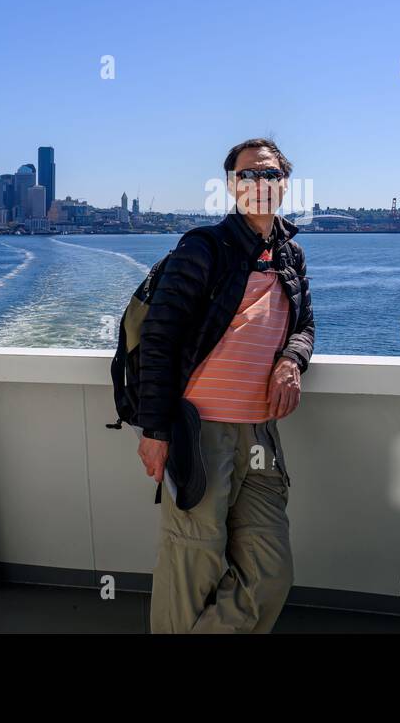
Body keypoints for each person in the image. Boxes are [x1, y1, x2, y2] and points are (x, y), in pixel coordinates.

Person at [136, 137, 314, 633]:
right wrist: (155, 431)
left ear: (285, 184)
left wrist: (291, 361)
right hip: (200, 431)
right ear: (232, 186)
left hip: (260, 438)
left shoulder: (291, 256)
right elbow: (159, 338)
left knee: (272, 571)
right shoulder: (204, 247)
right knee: (191, 566)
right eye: (249, 175)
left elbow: (305, 327)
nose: (261, 184)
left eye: (270, 174)